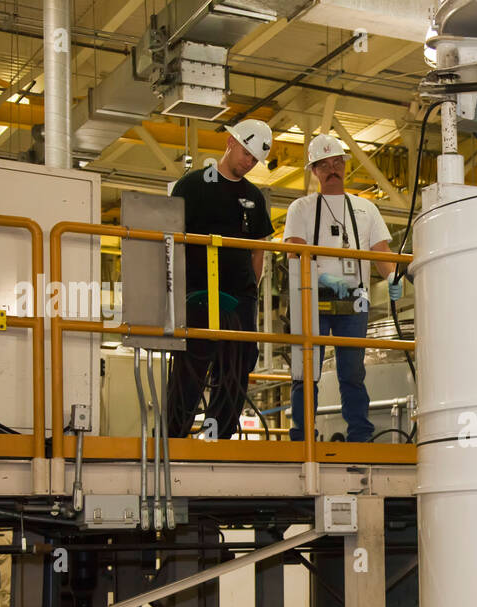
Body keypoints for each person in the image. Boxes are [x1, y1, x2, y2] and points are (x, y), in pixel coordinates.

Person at [282, 133, 404, 443]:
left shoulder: (366, 209)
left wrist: (391, 277)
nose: (332, 169)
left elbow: (381, 253)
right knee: (306, 372)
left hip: (355, 299)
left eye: (337, 162)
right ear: (314, 170)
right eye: (324, 164)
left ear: (345, 166)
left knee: (353, 371)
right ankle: (302, 435)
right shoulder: (301, 208)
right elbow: (293, 251)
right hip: (312, 297)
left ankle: (360, 435)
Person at [165, 118, 273, 440]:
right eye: (246, 153)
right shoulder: (193, 185)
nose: (249, 162)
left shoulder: (254, 198)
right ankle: (173, 437)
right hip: (198, 293)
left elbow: (258, 252)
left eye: (255, 159)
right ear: (230, 143)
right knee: (191, 366)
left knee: (236, 369)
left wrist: (249, 293)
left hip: (239, 298)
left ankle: (217, 439)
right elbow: (173, 238)